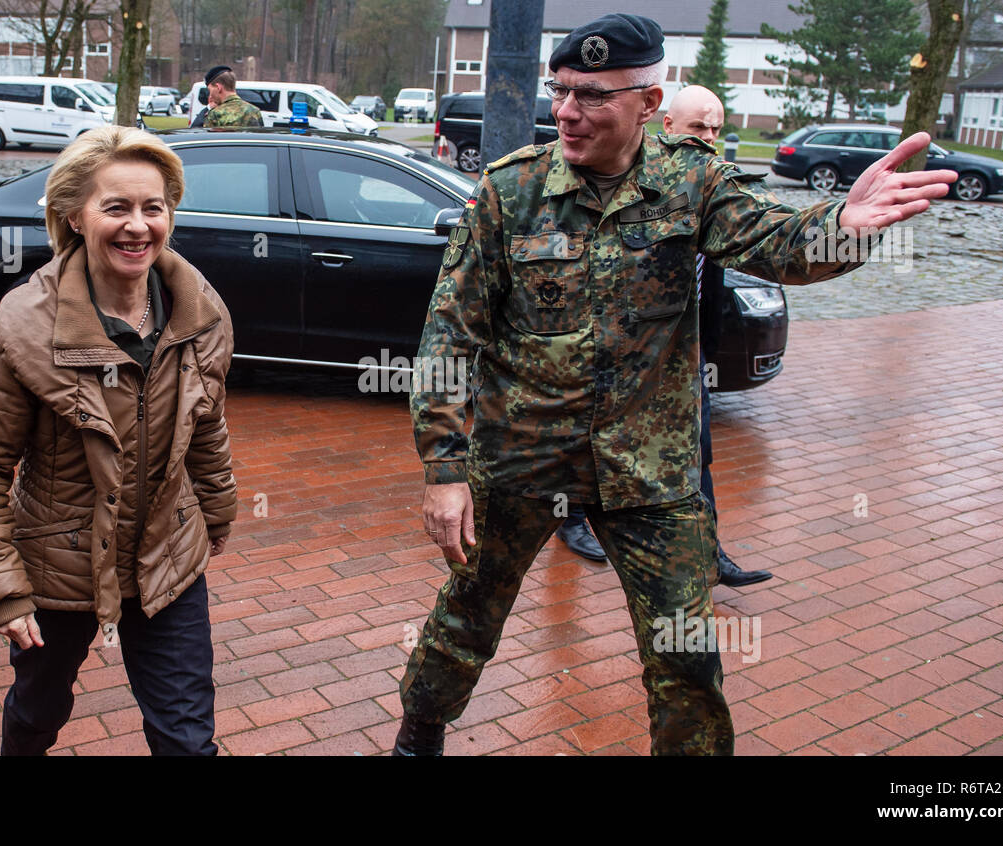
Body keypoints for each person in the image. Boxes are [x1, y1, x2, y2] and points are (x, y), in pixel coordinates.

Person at [394, 12, 955, 756]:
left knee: (686, 656)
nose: (567, 111)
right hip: (521, 461)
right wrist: (443, 467)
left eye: (593, 96)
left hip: (652, 475)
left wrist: (845, 225)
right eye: (560, 91)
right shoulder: (511, 192)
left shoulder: (693, 184)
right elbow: (448, 335)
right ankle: (418, 736)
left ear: (649, 104)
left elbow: (779, 242)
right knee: (467, 616)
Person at [0, 125, 237, 756]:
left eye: (152, 207)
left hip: (168, 556)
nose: (138, 226)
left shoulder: (199, 310)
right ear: (75, 217)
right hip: (60, 566)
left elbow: (205, 422)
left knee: (188, 741)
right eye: (116, 207)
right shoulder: (26, 326)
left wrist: (216, 512)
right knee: (36, 715)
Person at [662, 85, 771, 588]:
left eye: (715, 130)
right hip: (628, 360)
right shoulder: (646, 186)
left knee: (697, 453)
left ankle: (710, 556)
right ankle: (574, 522)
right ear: (668, 127)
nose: (707, 138)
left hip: (690, 356)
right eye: (697, 128)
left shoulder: (716, 193)